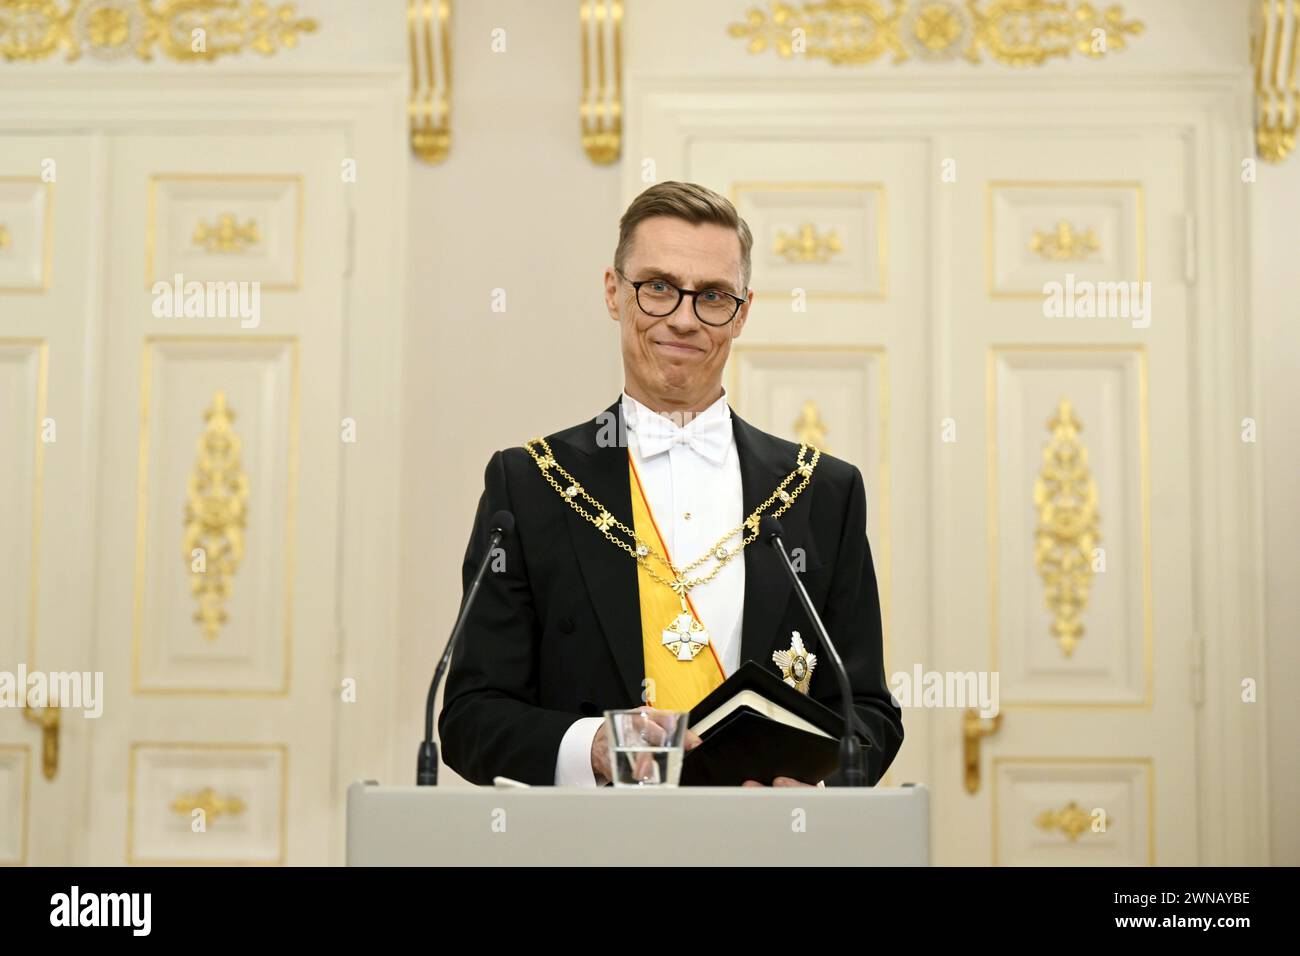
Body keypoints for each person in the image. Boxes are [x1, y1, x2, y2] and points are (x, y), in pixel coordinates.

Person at [439, 181, 903, 786]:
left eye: (712, 296)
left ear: (743, 311)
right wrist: (593, 746)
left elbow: (868, 710)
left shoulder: (821, 491)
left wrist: (825, 785)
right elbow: (471, 718)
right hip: (591, 845)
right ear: (614, 292)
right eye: (657, 288)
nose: (683, 319)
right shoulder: (530, 484)